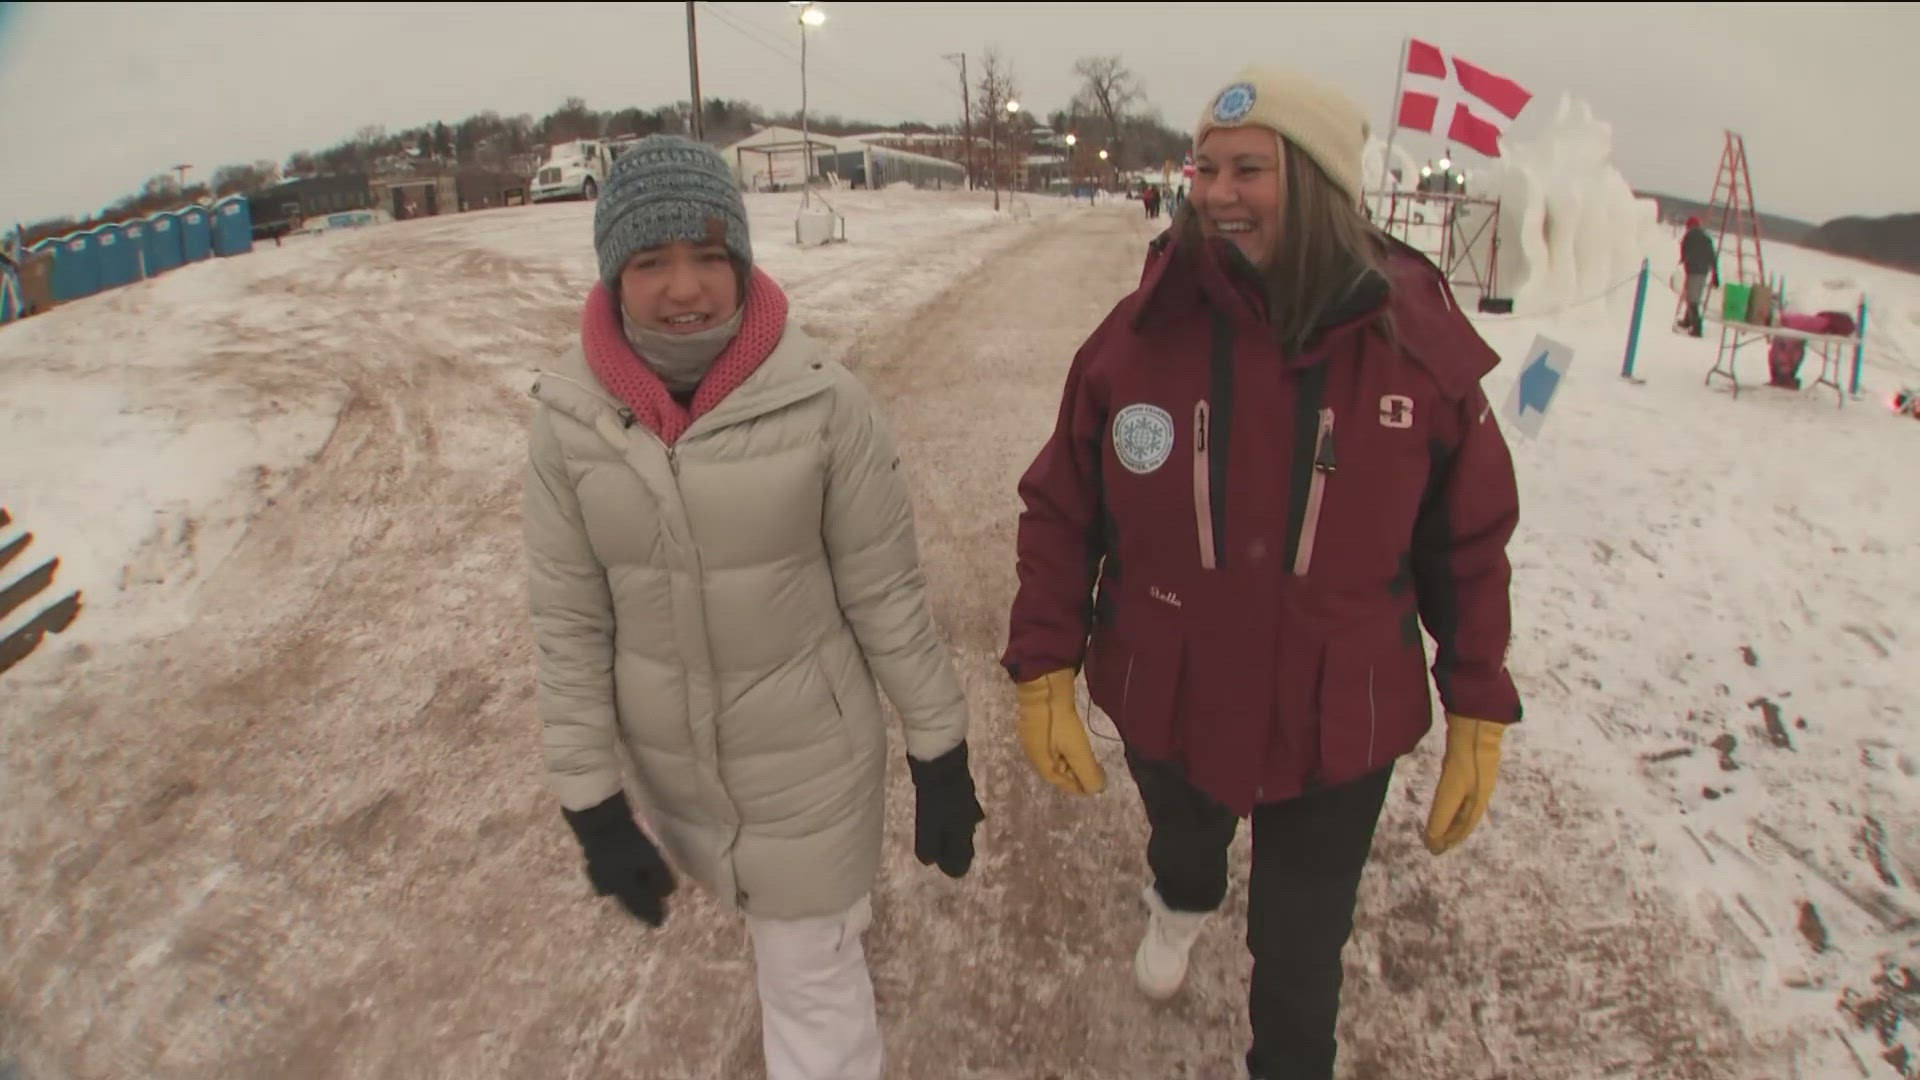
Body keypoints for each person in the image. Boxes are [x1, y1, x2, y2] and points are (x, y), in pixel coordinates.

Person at [1003, 68, 1523, 1080]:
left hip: (1343, 710)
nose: (1219, 191)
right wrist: (1043, 661)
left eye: (1253, 168)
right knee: (1186, 841)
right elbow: (1063, 505)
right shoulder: (1141, 334)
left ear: (1324, 185)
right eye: (1208, 167)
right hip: (1170, 684)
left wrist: (1478, 703)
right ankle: (1184, 895)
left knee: (1299, 954)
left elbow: (1470, 539)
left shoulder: (1415, 347)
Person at [524, 135, 984, 1080]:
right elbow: (569, 622)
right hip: (673, 770)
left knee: (810, 981)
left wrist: (939, 750)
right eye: (652, 262)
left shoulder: (824, 405)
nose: (684, 287)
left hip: (809, 764)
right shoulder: (568, 421)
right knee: (775, 935)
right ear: (614, 275)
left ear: (741, 261)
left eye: (707, 257)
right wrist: (592, 804)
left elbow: (886, 592)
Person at [1679, 215, 1720, 336]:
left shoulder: (1689, 236)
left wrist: (1683, 259)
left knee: (1692, 299)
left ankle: (1697, 328)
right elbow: (1712, 257)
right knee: (1693, 297)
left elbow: (1684, 251)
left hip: (1693, 271)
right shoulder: (1707, 239)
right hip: (1703, 272)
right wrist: (1715, 274)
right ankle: (1688, 321)